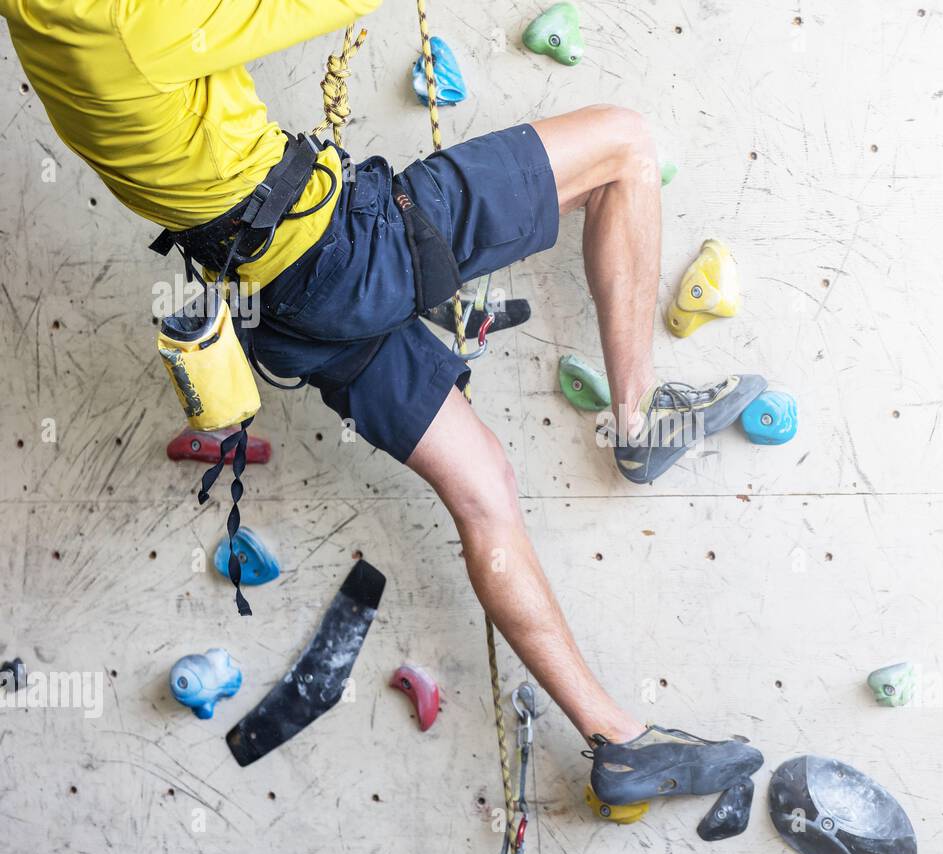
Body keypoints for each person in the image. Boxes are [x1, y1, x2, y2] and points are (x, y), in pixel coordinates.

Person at [1, 0, 763, 805]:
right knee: (625, 145)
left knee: (483, 492)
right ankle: (640, 421)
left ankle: (617, 743)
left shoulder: (40, 23)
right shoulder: (122, 18)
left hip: (278, 307)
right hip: (348, 251)